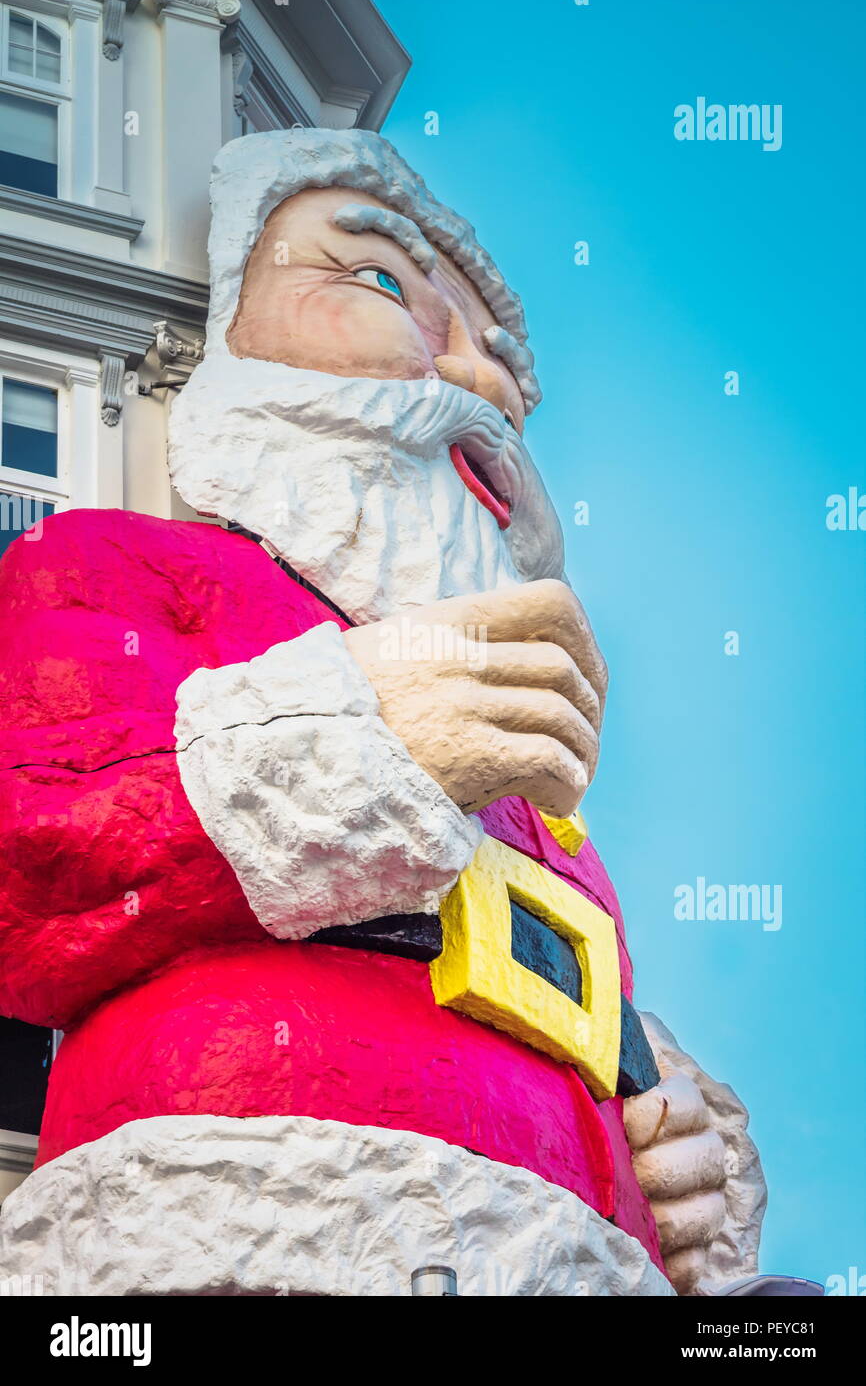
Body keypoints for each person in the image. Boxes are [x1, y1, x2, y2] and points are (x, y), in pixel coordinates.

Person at [0, 130, 765, 1296]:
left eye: (500, 361)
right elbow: (30, 864)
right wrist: (356, 743)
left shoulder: (537, 799)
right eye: (375, 282)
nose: (472, 381)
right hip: (229, 1219)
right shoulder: (116, 568)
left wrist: (659, 1133)